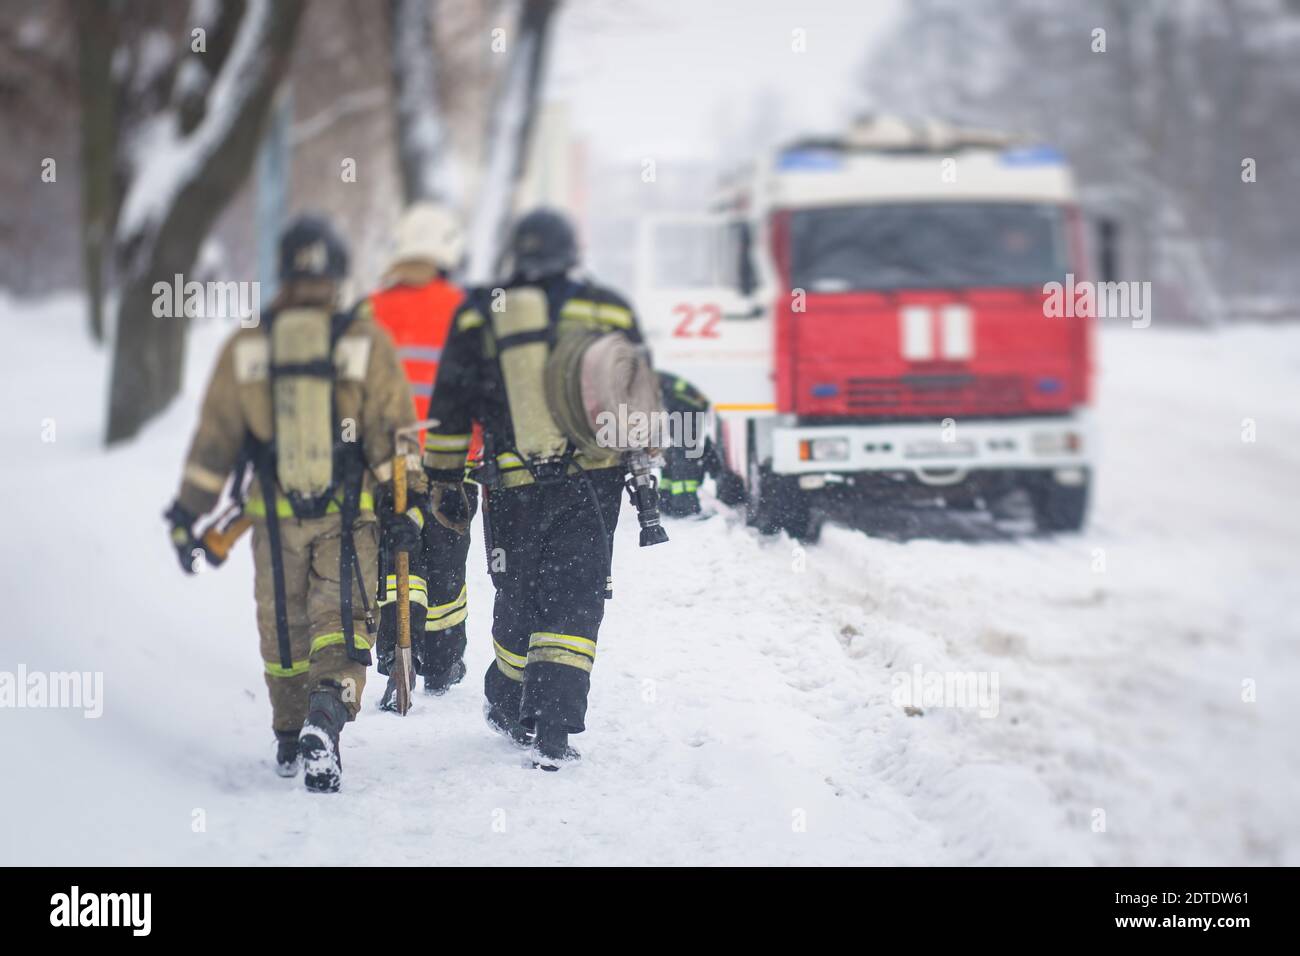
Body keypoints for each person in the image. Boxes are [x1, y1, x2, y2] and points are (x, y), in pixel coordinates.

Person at [164, 214, 425, 793]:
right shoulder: (364, 341)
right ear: (337, 272)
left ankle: (288, 734)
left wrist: (187, 513)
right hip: (348, 517)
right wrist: (408, 507)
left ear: (282, 269)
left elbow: (216, 441)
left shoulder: (249, 345)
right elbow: (394, 434)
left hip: (273, 522)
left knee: (285, 630)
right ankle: (326, 720)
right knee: (344, 626)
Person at [422, 208, 647, 769]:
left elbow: (451, 405)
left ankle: (508, 699)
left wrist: (445, 477)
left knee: (519, 594)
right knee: (576, 598)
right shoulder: (609, 306)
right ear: (571, 251)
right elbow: (638, 400)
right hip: (595, 483)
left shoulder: (482, 313)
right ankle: (554, 725)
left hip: (514, 484)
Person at [367, 202, 480, 703]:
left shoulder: (372, 310)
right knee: (448, 564)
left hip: (390, 458)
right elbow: (480, 387)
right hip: (453, 460)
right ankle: (442, 661)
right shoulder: (464, 310)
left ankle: (394, 654)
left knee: (399, 558)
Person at [656, 370, 713, 517]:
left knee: (675, 457)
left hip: (679, 413)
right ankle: (685, 505)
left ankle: (666, 500)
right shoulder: (681, 375)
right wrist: (702, 400)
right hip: (685, 413)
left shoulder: (669, 372)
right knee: (684, 460)